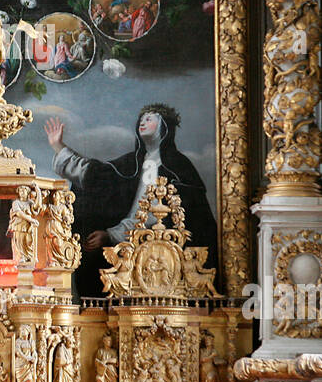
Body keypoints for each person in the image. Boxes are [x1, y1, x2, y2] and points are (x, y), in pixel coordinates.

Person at [45, 104, 218, 299]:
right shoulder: (130, 165)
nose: (143, 122)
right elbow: (94, 175)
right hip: (124, 245)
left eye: (150, 119)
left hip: (165, 254)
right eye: (142, 119)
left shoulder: (179, 168)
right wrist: (58, 146)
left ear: (165, 127)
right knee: (91, 262)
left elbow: (189, 219)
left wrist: (112, 235)